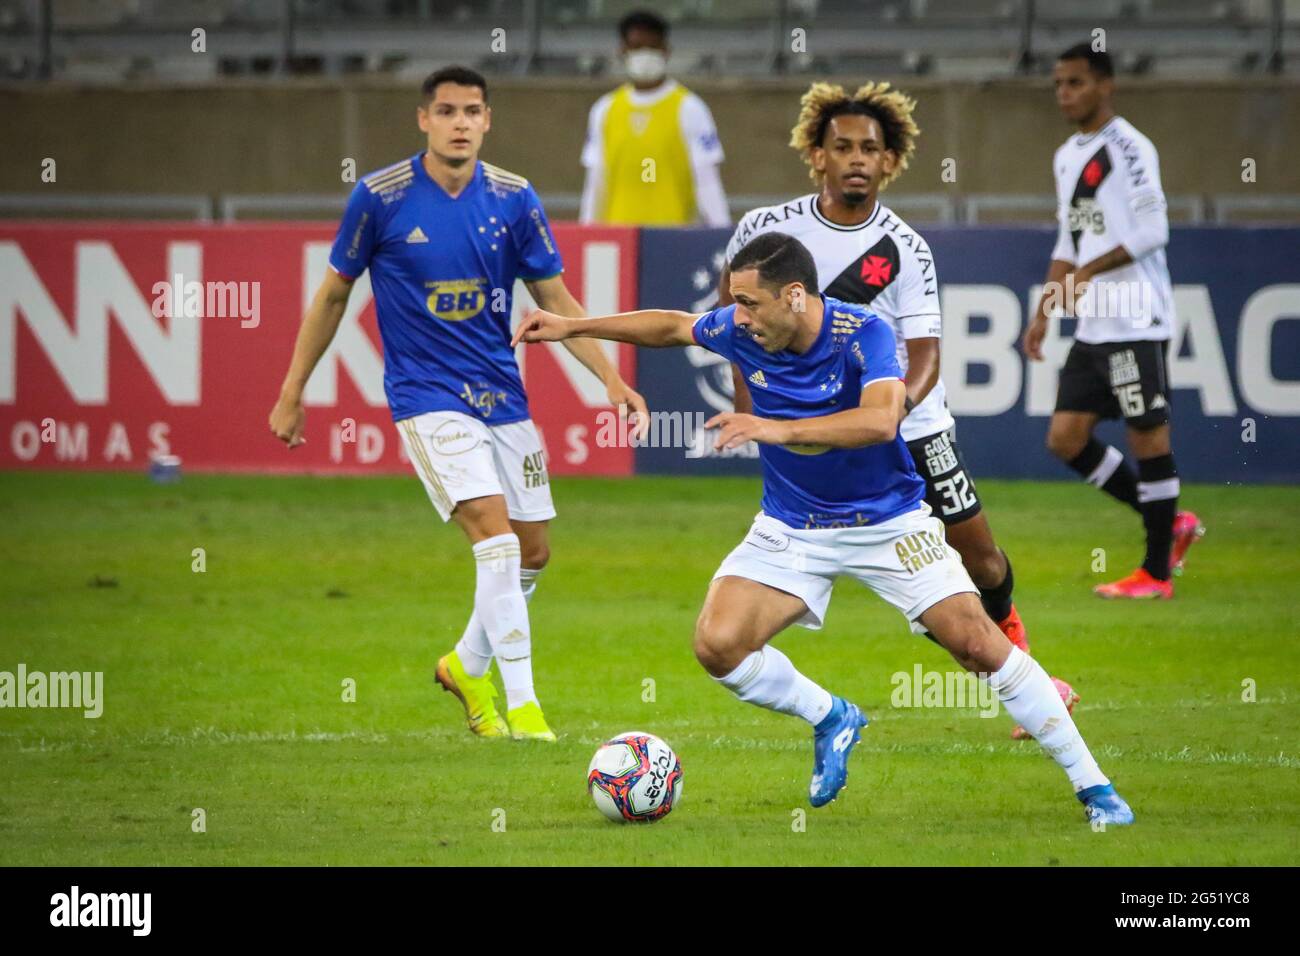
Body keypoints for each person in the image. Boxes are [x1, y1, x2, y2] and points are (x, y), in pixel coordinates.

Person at [513, 232, 1134, 826]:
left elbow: (882, 420)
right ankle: (832, 717)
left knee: (976, 645)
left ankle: (1095, 788)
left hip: (888, 523)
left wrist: (775, 430)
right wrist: (573, 326)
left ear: (795, 296)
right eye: (735, 303)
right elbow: (673, 326)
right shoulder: (741, 328)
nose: (739, 317)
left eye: (750, 302)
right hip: (793, 528)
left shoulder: (862, 332)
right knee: (718, 645)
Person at [268, 66, 648, 742]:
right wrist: (292, 392)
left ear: (488, 120)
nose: (461, 123)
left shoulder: (514, 197)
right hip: (427, 397)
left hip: (502, 394)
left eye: (473, 110)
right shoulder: (379, 197)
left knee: (533, 551)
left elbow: (553, 298)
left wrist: (609, 379)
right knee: (496, 542)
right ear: (424, 119)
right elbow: (332, 296)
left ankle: (467, 665)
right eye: (447, 111)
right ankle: (526, 709)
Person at [723, 81, 1075, 738]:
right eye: (842, 147)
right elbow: (736, 325)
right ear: (817, 155)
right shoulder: (764, 231)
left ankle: (1015, 650)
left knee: (983, 563)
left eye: (870, 149)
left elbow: (926, 358)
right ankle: (1028, 679)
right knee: (925, 596)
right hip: (821, 439)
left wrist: (886, 418)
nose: (856, 158)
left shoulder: (905, 249)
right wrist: (755, 408)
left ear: (890, 161)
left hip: (910, 428)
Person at [1023, 44, 1202, 600]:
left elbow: (1154, 232)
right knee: (1065, 437)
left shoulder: (1129, 147)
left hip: (1135, 319)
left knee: (1146, 434)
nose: (1064, 94)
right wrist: (1045, 308)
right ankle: (1169, 522)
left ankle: (1155, 574)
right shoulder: (1066, 156)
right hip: (1095, 325)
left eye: (1075, 83)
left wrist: (1088, 273)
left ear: (1106, 86)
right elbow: (1069, 239)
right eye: (1059, 84)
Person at [579, 10, 729, 227]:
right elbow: (596, 182)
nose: (645, 55)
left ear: (666, 51)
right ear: (622, 50)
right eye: (637, 47)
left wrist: (722, 232)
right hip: (617, 236)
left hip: (674, 234)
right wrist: (587, 231)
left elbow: (707, 180)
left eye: (652, 47)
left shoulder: (690, 108)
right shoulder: (604, 109)